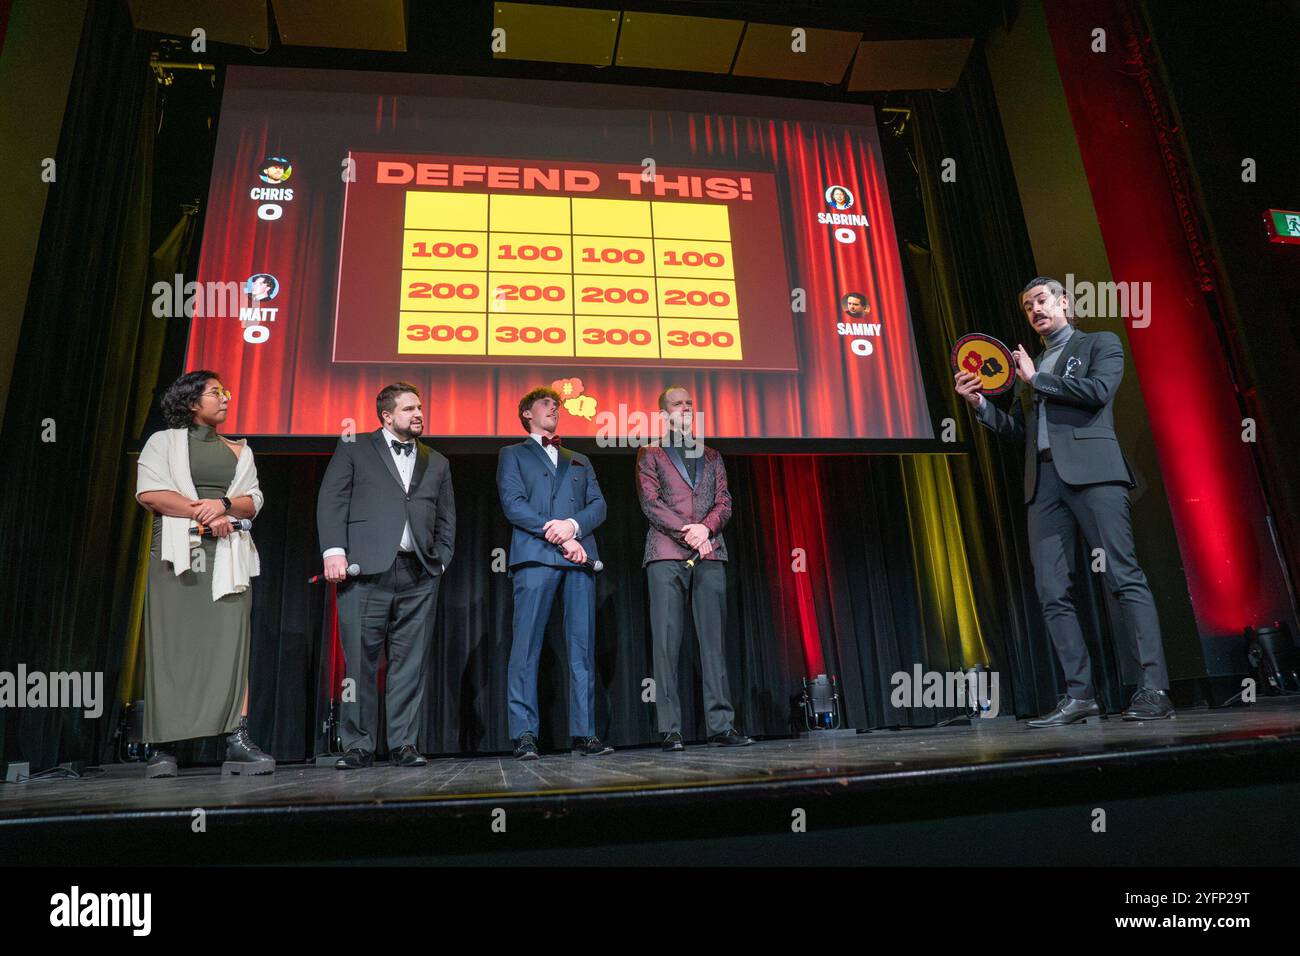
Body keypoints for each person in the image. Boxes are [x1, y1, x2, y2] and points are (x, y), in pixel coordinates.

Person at [954, 277, 1173, 727]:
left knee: (1123, 575)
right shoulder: (1028, 367)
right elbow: (1018, 430)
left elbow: (1097, 393)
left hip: (1094, 473)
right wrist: (980, 406)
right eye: (1027, 305)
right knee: (1052, 589)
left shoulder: (1098, 343)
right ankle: (1080, 696)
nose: (1034, 309)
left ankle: (1154, 688)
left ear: (1064, 303)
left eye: (1041, 300)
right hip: (1045, 482)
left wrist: (1040, 381)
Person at [135, 371, 274, 778]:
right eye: (216, 393)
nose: (225, 398)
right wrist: (205, 511)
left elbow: (253, 501)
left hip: (227, 558)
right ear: (192, 402)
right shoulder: (164, 442)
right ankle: (163, 745)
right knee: (174, 644)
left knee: (231, 642)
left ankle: (236, 737)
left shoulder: (239, 450)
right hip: (180, 555)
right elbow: (151, 493)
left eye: (225, 392)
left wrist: (226, 504)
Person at [316, 382, 456, 769]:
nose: (418, 414)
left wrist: (440, 560)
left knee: (410, 663)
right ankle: (358, 745)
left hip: (419, 573)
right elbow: (332, 500)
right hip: (365, 571)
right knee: (359, 662)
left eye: (420, 407)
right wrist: (334, 551)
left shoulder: (437, 461)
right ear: (387, 416)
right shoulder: (354, 448)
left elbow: (446, 518)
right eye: (409, 408)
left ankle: (403, 744)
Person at [636, 386, 752, 750]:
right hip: (667, 553)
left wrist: (708, 529)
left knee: (714, 642)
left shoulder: (713, 455)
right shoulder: (649, 453)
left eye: (689, 403)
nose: (685, 408)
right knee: (667, 643)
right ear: (664, 413)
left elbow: (724, 501)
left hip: (711, 553)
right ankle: (671, 728)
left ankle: (721, 725)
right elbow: (651, 504)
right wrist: (690, 532)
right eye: (677, 404)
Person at [497, 387, 610, 759]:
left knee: (581, 647)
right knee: (526, 647)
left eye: (557, 406)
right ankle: (524, 734)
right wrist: (559, 534)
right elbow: (514, 505)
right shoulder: (512, 455)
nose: (554, 409)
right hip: (536, 557)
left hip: (579, 559)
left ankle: (585, 733)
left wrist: (574, 527)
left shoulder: (579, 459)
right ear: (527, 413)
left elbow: (598, 506)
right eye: (546, 404)